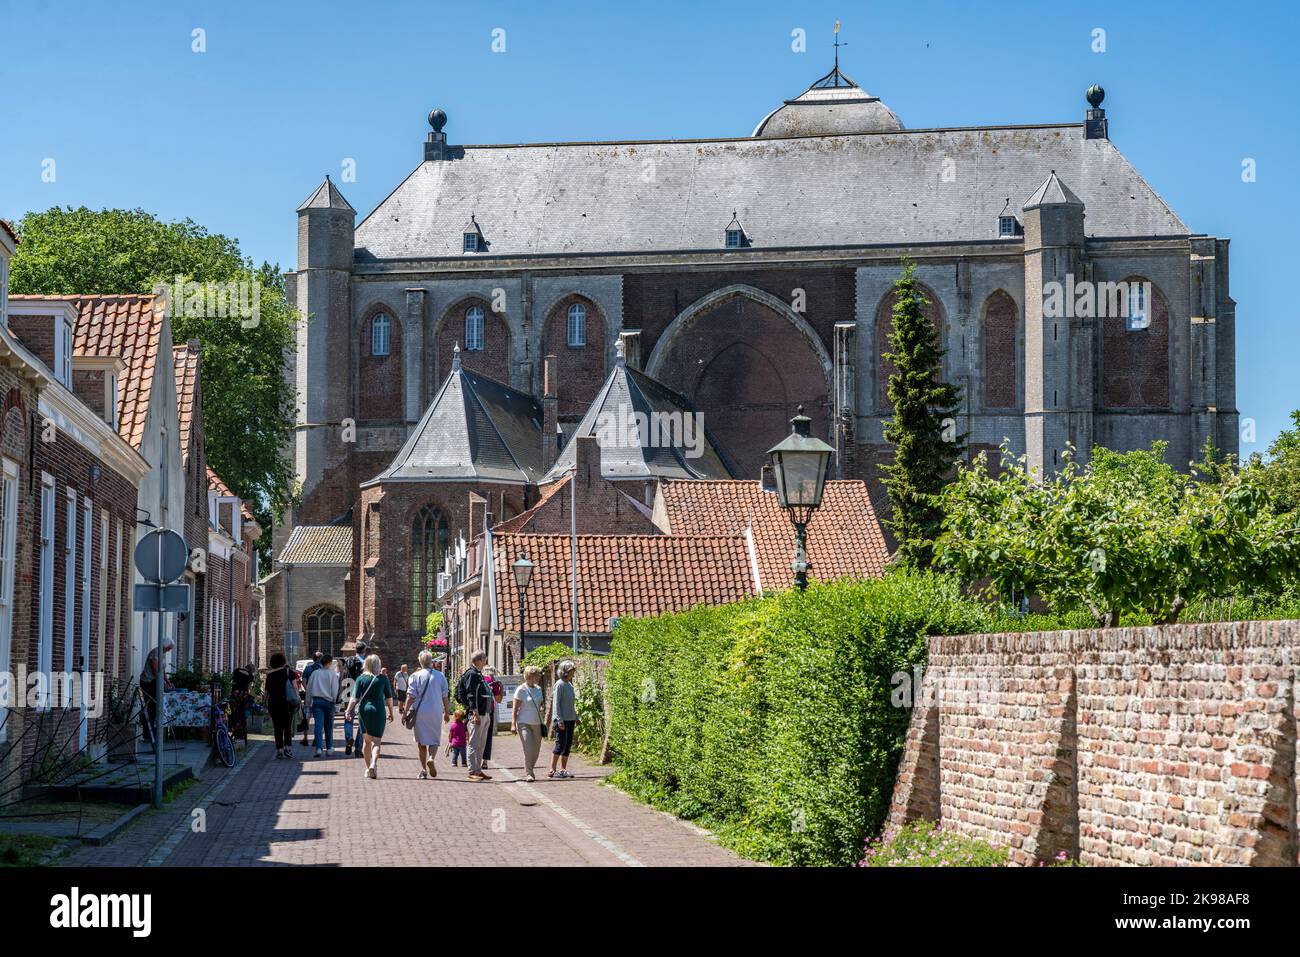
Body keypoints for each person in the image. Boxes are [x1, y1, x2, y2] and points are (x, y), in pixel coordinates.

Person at [345, 654, 394, 779]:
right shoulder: (383, 679)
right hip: (378, 710)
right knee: (376, 741)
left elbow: (354, 698)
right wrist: (391, 712)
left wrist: (348, 710)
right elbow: (389, 698)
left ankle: (367, 769)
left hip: (364, 710)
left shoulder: (361, 678)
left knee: (366, 742)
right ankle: (373, 763)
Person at [406, 651, 450, 779]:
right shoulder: (440, 676)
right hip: (435, 711)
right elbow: (445, 696)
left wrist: (405, 712)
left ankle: (423, 769)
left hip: (420, 712)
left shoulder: (415, 676)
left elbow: (411, 697)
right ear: (431, 661)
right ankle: (431, 758)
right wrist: (447, 713)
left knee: (421, 742)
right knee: (434, 739)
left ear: (420, 661)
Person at [455, 652, 494, 781]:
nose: (485, 662)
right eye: (484, 659)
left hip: (485, 712)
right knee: (473, 743)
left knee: (481, 743)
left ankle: (478, 770)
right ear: (479, 660)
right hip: (477, 714)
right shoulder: (471, 674)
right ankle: (472, 770)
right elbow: (471, 695)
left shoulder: (478, 674)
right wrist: (475, 713)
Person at [138, 638, 175, 747]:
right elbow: (155, 671)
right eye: (169, 648)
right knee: (151, 705)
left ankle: (153, 731)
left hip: (155, 681)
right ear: (165, 646)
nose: (169, 651)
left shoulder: (162, 653)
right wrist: (163, 683)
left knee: (156, 705)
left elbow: (162, 670)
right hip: (148, 682)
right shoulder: (155, 653)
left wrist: (167, 681)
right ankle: (147, 732)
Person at [512, 666, 546, 782]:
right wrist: (513, 724)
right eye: (537, 675)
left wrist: (541, 708)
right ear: (530, 676)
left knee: (536, 750)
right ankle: (529, 773)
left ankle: (530, 767)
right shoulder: (521, 690)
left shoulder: (538, 689)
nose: (539, 677)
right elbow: (515, 708)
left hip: (537, 722)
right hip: (523, 722)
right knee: (528, 748)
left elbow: (540, 704)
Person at [549, 660, 579, 779]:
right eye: (572, 670)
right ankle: (552, 769)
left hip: (570, 719)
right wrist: (559, 719)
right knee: (560, 744)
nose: (573, 672)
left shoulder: (569, 685)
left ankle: (563, 769)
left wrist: (576, 717)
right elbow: (556, 704)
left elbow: (570, 704)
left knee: (567, 745)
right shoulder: (560, 684)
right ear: (565, 671)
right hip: (561, 719)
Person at [307, 653, 340, 757]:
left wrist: (307, 703)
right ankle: (329, 747)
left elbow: (309, 689)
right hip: (329, 702)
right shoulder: (332, 674)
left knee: (318, 725)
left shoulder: (315, 673)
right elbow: (335, 690)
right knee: (329, 726)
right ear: (329, 663)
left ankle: (318, 748)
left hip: (317, 701)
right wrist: (335, 701)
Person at [264, 653, 296, 758]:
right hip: (287, 703)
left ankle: (279, 750)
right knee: (287, 726)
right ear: (283, 661)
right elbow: (295, 687)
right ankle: (288, 748)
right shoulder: (289, 672)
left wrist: (265, 705)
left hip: (273, 703)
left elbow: (267, 693)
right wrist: (298, 699)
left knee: (277, 727)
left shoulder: (269, 676)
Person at [482, 673, 504, 767]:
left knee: (477, 736)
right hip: (489, 710)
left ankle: (474, 761)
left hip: (477, 710)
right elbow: (498, 700)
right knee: (487, 736)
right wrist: (501, 688)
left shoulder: (479, 677)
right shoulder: (493, 681)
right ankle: (485, 761)